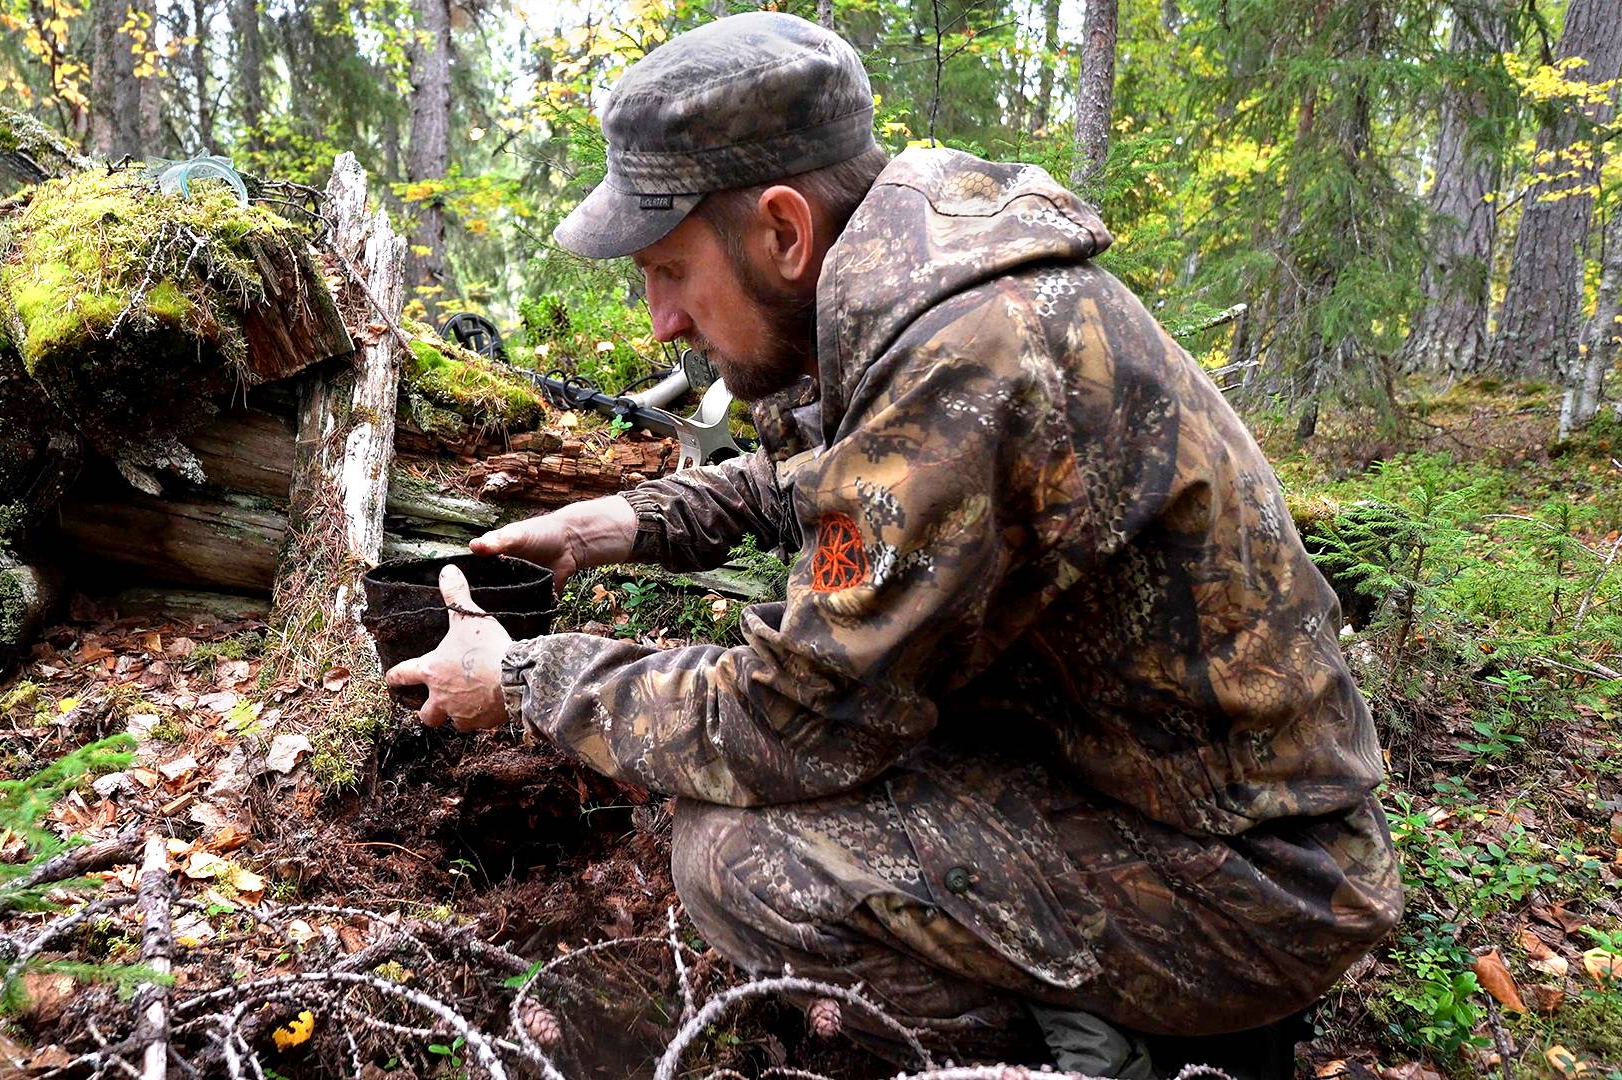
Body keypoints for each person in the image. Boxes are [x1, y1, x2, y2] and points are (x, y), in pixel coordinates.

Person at [386, 11, 1401, 1077]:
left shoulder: (969, 364)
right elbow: (840, 475)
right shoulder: (923, 278)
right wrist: (628, 521)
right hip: (1165, 796)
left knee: (740, 859)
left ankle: (1110, 1057)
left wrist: (522, 677)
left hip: (1257, 886)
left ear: (784, 232)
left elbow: (789, 721)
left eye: (671, 269)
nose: (660, 323)